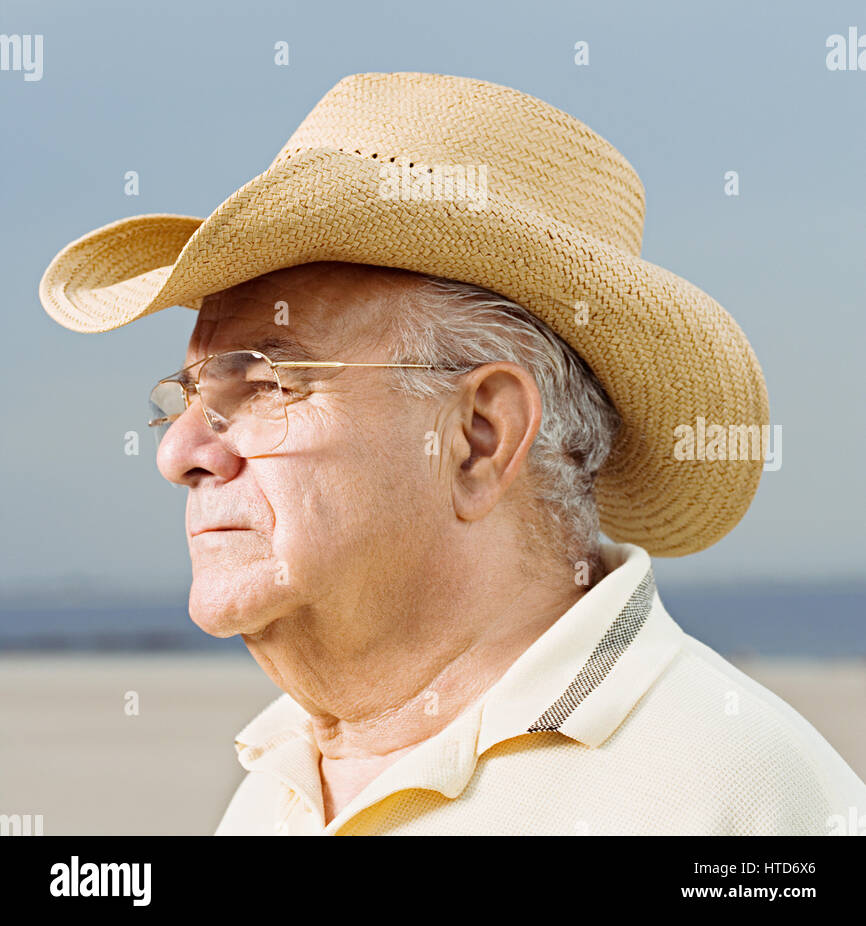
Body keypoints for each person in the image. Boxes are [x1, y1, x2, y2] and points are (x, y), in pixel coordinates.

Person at [39, 71, 866, 835]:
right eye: (186, 397)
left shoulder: (740, 802)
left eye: (263, 382)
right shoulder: (278, 785)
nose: (180, 451)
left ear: (479, 438)